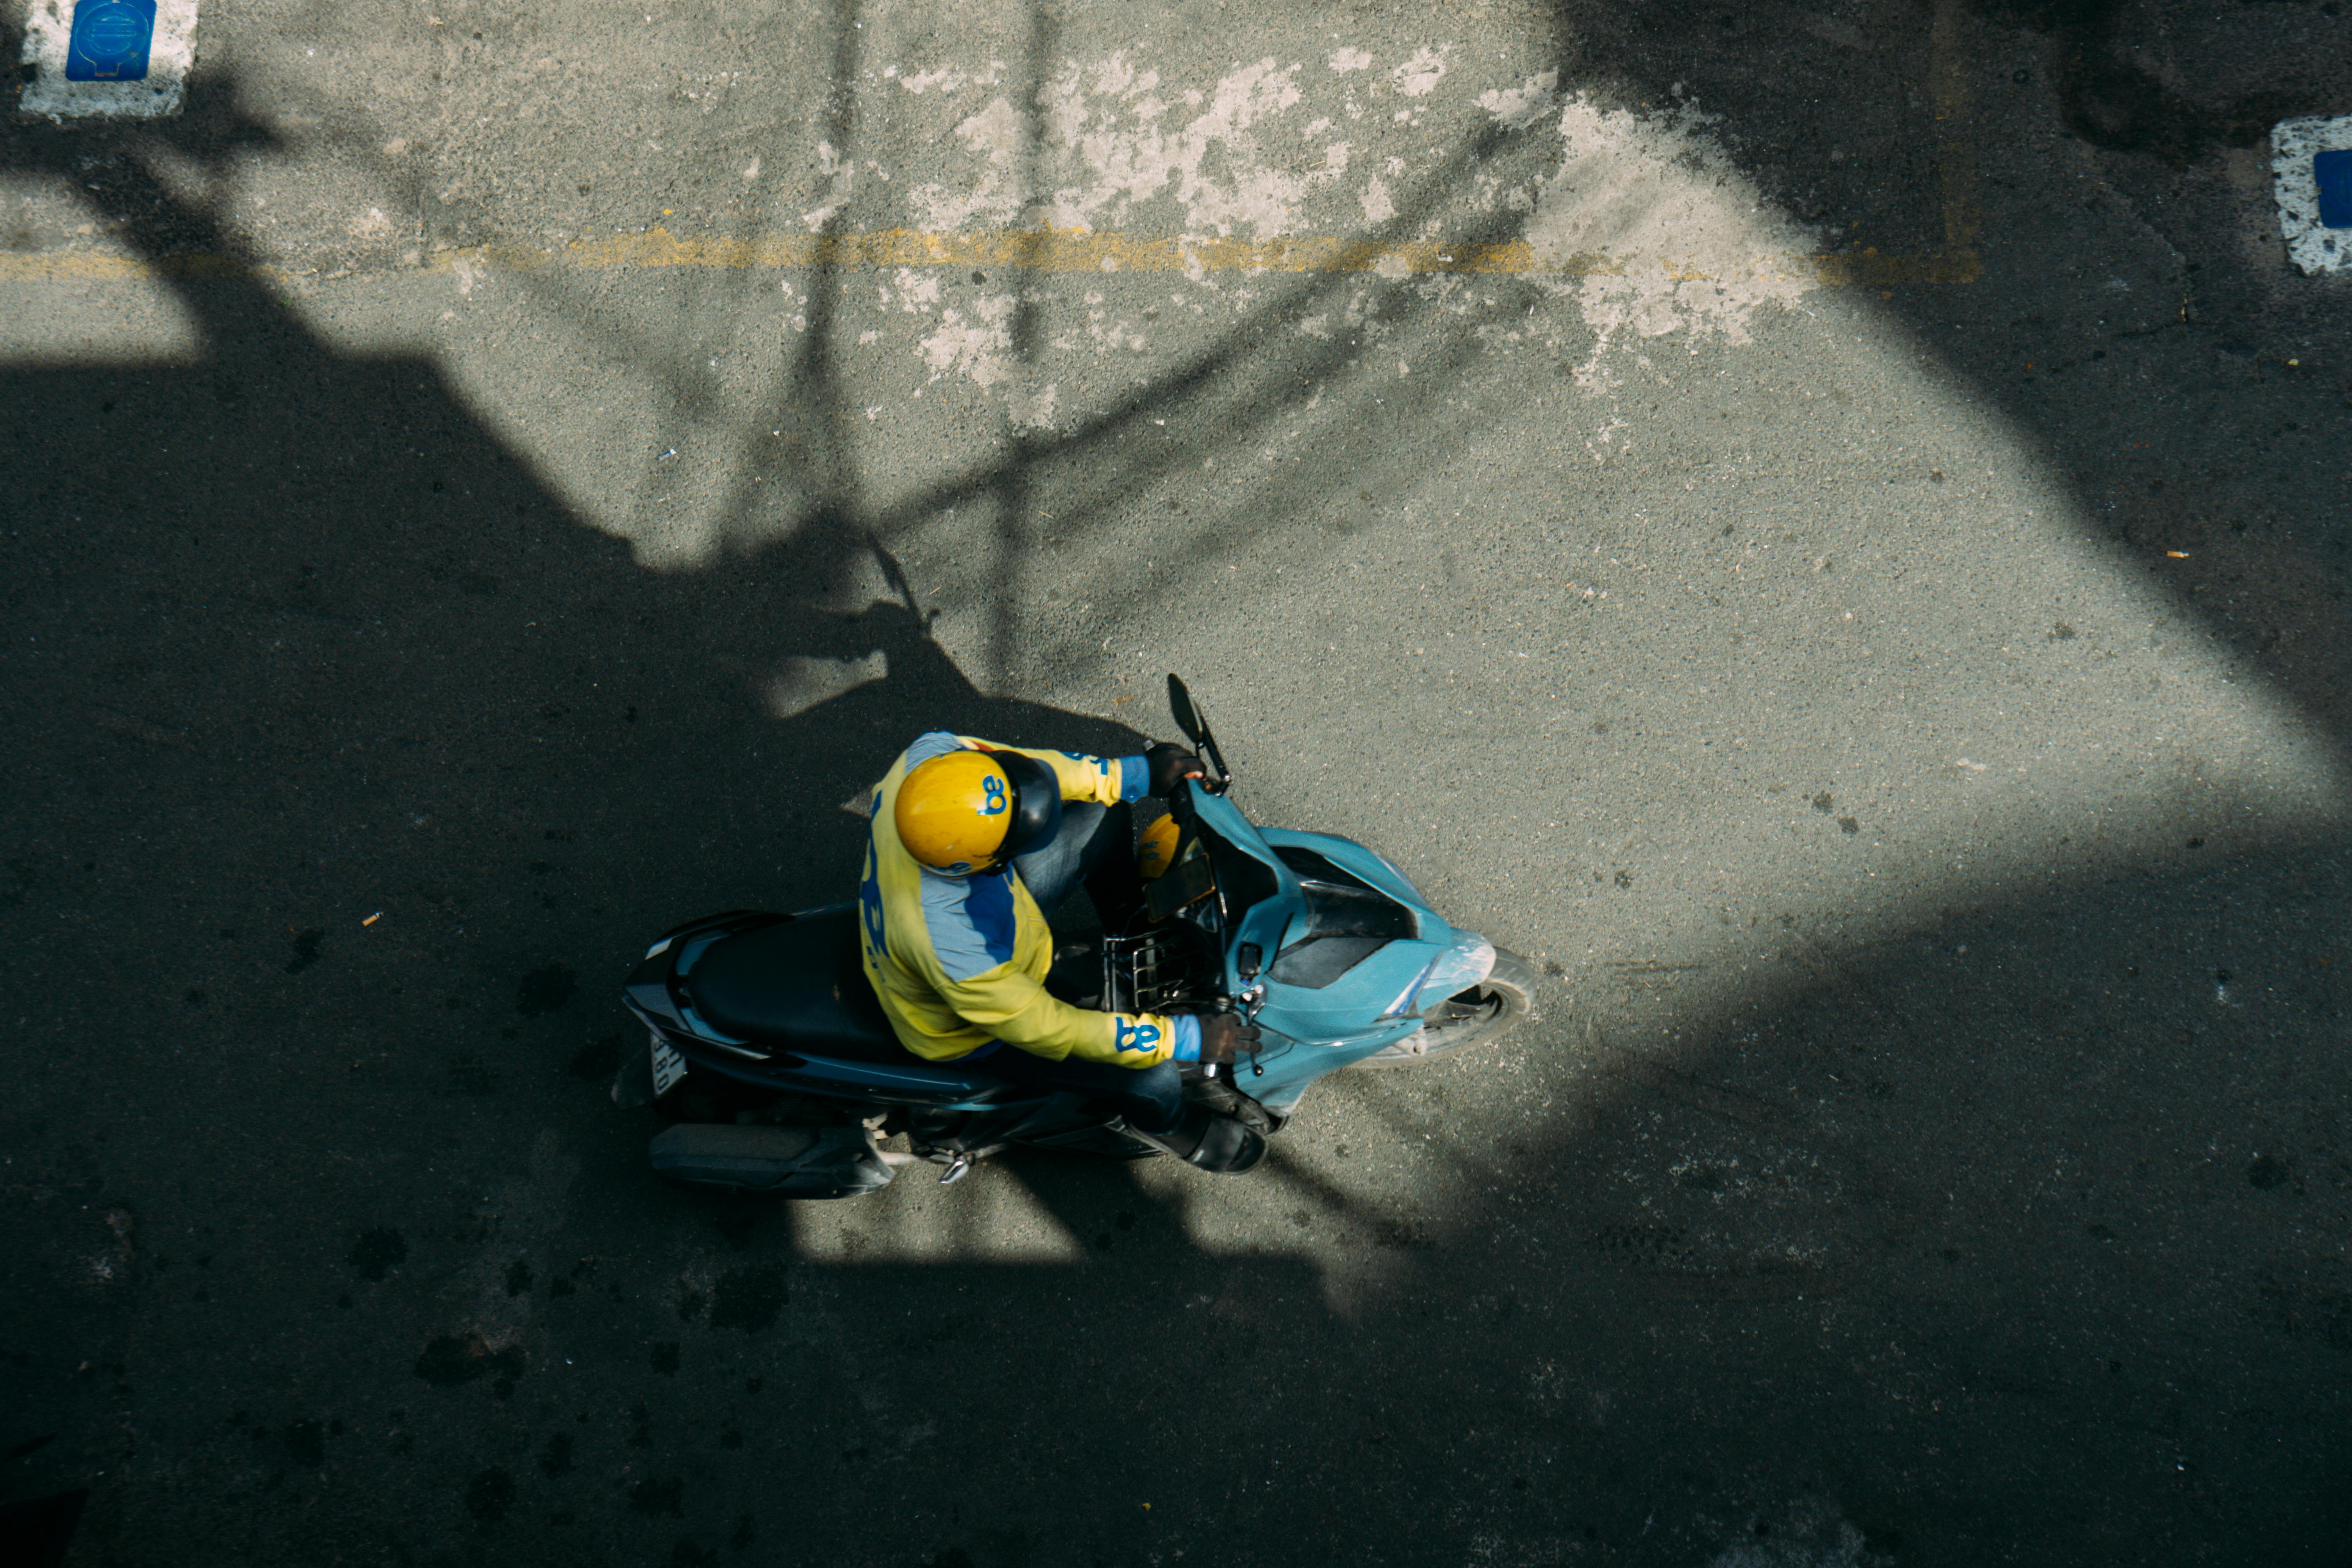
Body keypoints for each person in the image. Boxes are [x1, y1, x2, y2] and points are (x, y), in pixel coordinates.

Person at [855, 730, 1264, 1169]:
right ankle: (1163, 1123)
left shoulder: (928, 756)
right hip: (974, 1029)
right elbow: (1053, 1028)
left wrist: (1132, 773)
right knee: (1152, 1073)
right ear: (982, 861)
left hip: (995, 913)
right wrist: (1186, 1037)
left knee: (1103, 816)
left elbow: (1024, 769)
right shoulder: (954, 950)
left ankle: (1131, 925)